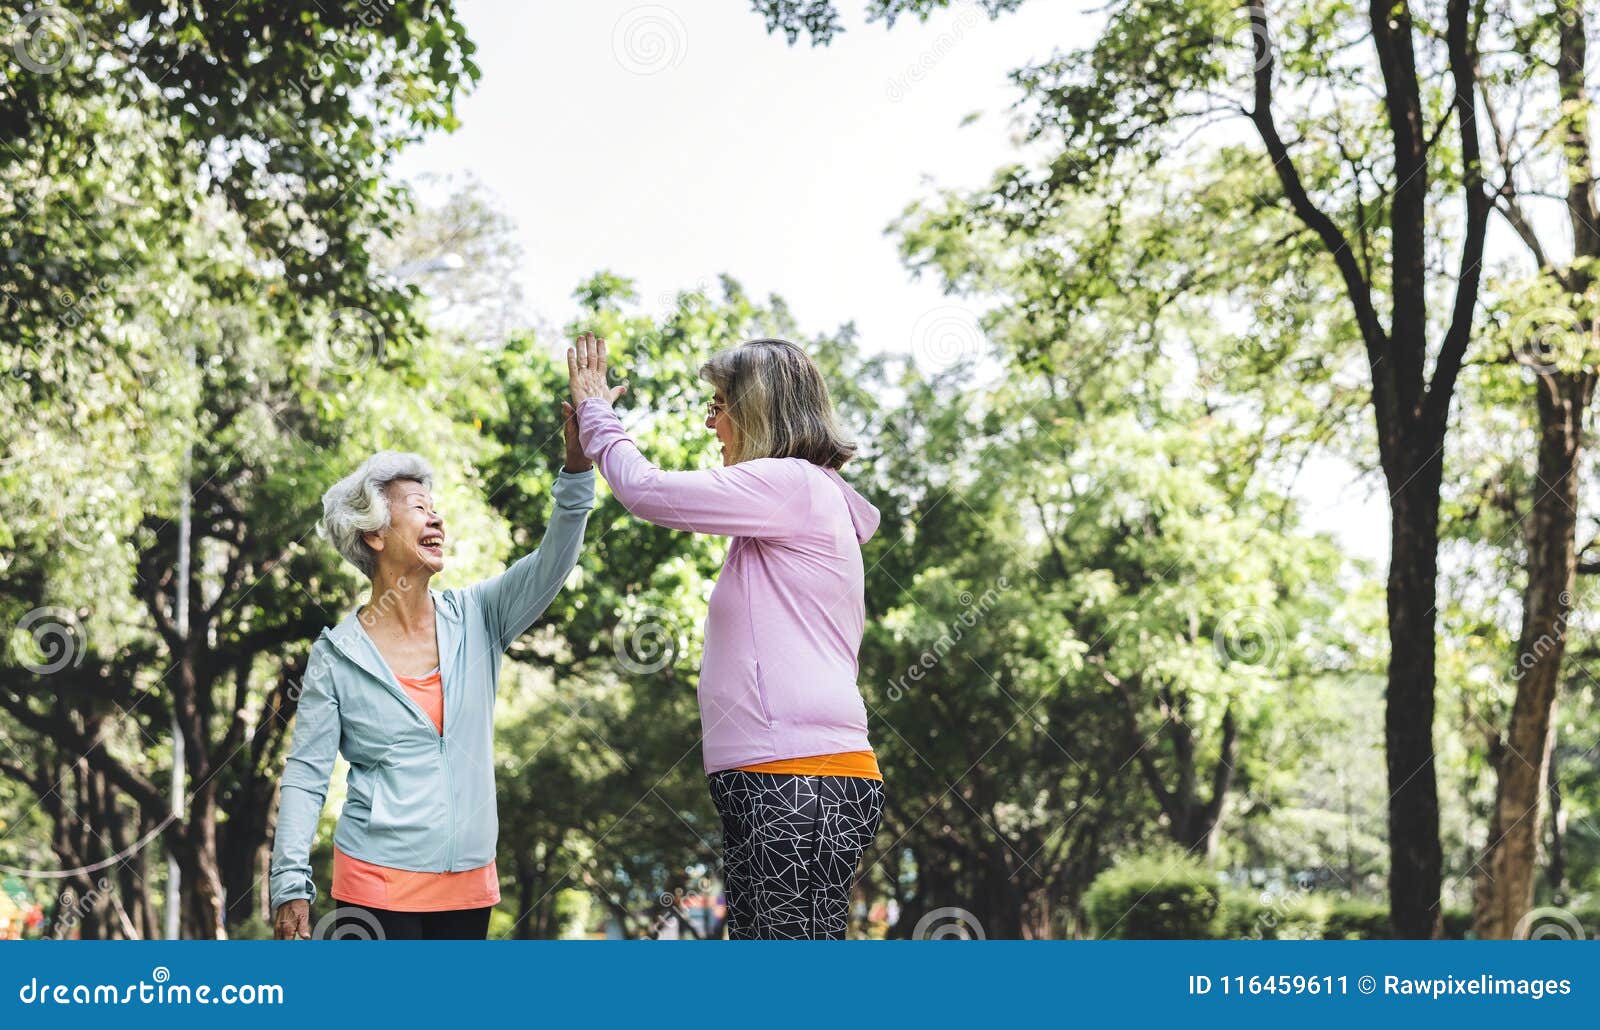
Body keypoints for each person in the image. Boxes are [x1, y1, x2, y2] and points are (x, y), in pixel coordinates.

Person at [568, 331, 885, 940]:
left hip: (794, 777)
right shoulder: (797, 505)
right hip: (791, 776)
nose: (712, 423)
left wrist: (595, 414)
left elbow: (646, 491)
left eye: (718, 405)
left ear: (756, 409)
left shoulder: (791, 485)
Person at [268, 415, 595, 940]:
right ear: (374, 533)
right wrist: (289, 882)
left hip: (468, 885)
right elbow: (307, 776)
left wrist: (577, 469)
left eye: (436, 509)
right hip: (373, 882)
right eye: (419, 510)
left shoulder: (480, 616)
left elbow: (553, 561)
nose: (437, 520)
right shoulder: (336, 655)